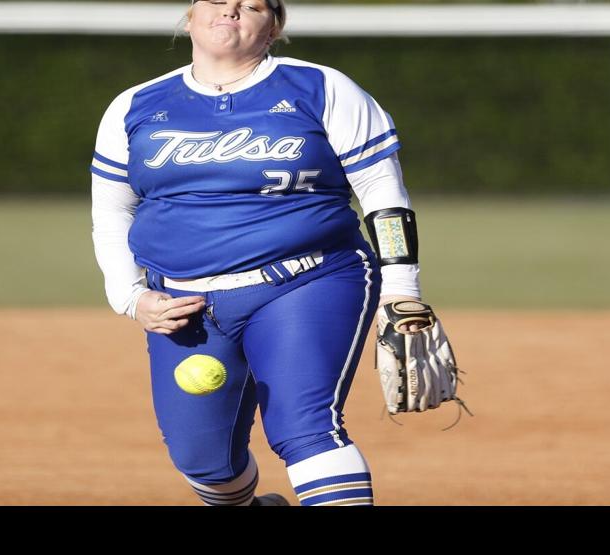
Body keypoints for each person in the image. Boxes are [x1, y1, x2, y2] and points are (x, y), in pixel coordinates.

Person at [90, 0, 425, 506]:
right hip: (185, 303)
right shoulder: (135, 105)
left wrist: (401, 287)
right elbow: (112, 213)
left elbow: (383, 194)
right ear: (190, 18)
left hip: (308, 279)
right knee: (203, 460)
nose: (232, 11)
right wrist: (131, 297)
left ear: (274, 27)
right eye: (218, 2)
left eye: (250, 5)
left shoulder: (321, 88)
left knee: (305, 428)